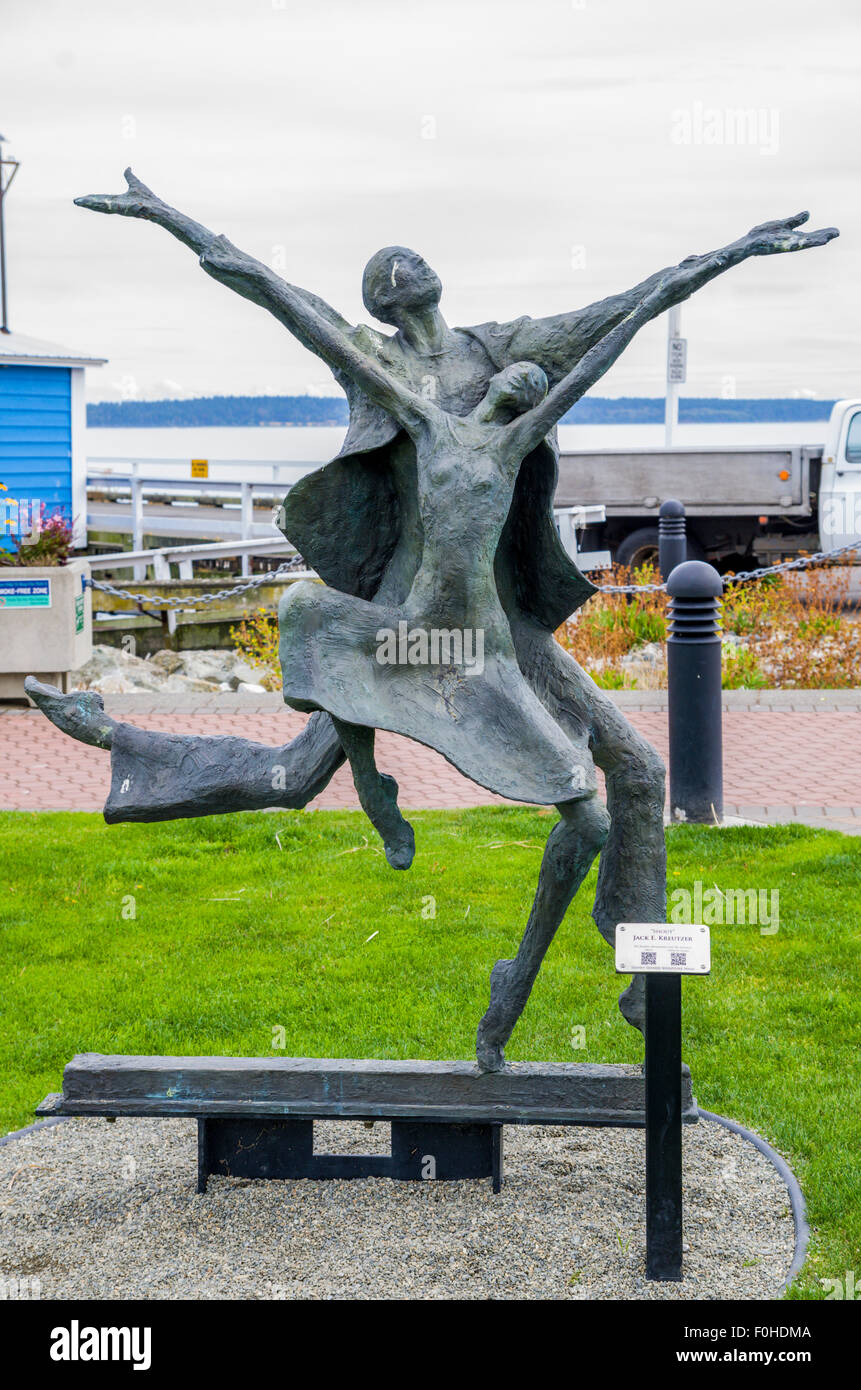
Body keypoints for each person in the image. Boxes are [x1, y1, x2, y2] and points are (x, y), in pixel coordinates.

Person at [26, 171, 838, 1063]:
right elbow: (272, 291)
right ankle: (116, 743)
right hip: (402, 630)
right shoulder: (378, 365)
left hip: (502, 626)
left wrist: (730, 253)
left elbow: (626, 312)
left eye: (407, 257)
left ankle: (639, 983)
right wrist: (173, 219)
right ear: (379, 299)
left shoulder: (504, 349)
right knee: (292, 780)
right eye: (383, 267)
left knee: (637, 778)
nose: (398, 264)